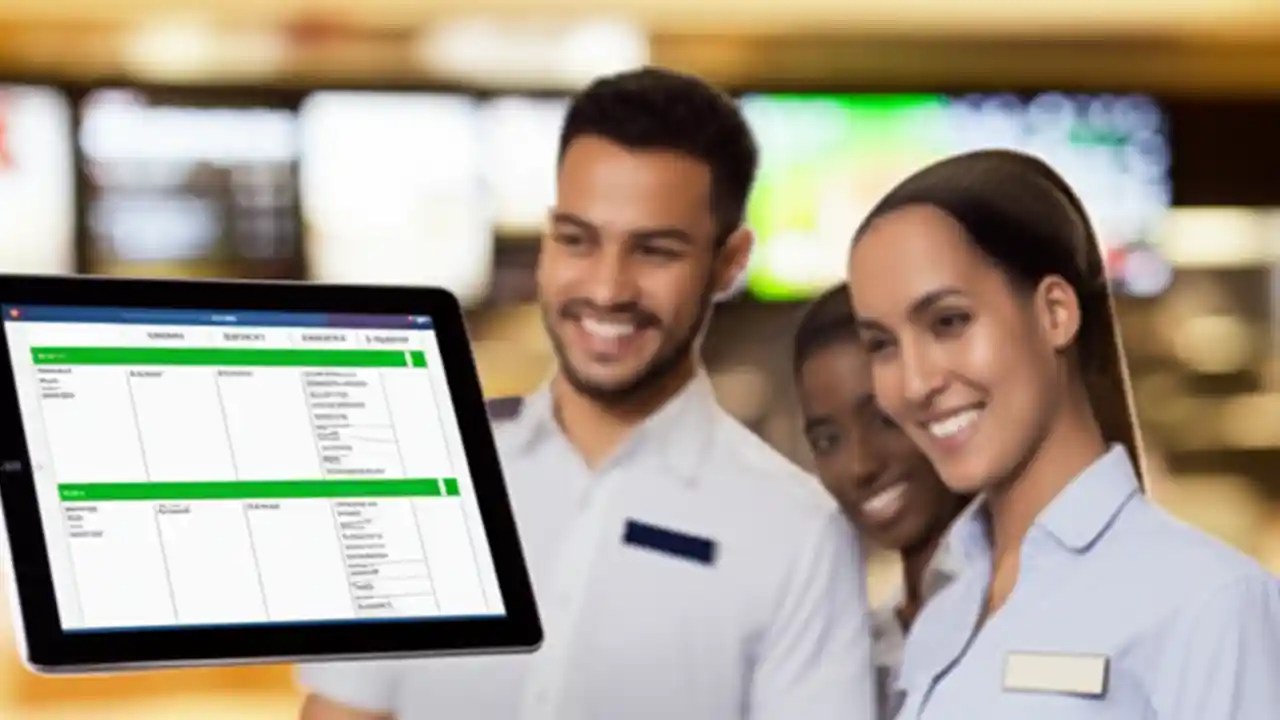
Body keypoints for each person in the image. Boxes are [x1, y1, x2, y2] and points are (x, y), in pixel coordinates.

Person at [297, 67, 876, 720]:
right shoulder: (422, 481)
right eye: (578, 240)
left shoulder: (797, 533)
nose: (606, 289)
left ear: (730, 262)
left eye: (654, 252)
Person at [845, 148, 1280, 718]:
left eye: (949, 322)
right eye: (882, 344)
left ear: (1055, 313)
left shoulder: (1211, 602)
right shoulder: (941, 609)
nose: (915, 382)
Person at [792, 284, 967, 720]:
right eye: (828, 440)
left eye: (885, 420)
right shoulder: (856, 651)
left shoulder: (1032, 605)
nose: (859, 465)